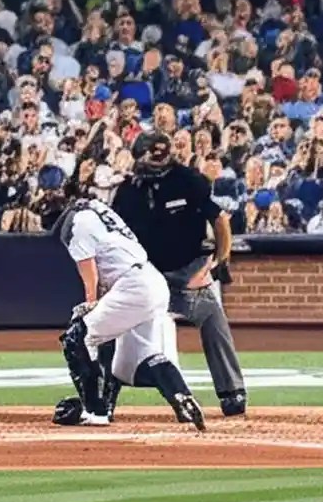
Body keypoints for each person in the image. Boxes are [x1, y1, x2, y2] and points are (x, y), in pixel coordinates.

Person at [111, 131, 248, 417]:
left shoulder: (188, 180)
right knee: (111, 323)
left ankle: (232, 392)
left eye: (162, 151)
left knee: (213, 316)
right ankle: (103, 394)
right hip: (147, 278)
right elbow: (115, 240)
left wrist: (220, 262)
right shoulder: (127, 192)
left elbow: (219, 219)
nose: (158, 158)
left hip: (188, 274)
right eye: (152, 152)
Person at [51, 197, 205, 430]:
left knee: (77, 337)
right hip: (151, 282)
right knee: (141, 359)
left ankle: (96, 411)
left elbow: (90, 275)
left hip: (132, 286)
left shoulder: (75, 223)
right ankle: (181, 396)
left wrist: (90, 303)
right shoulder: (97, 212)